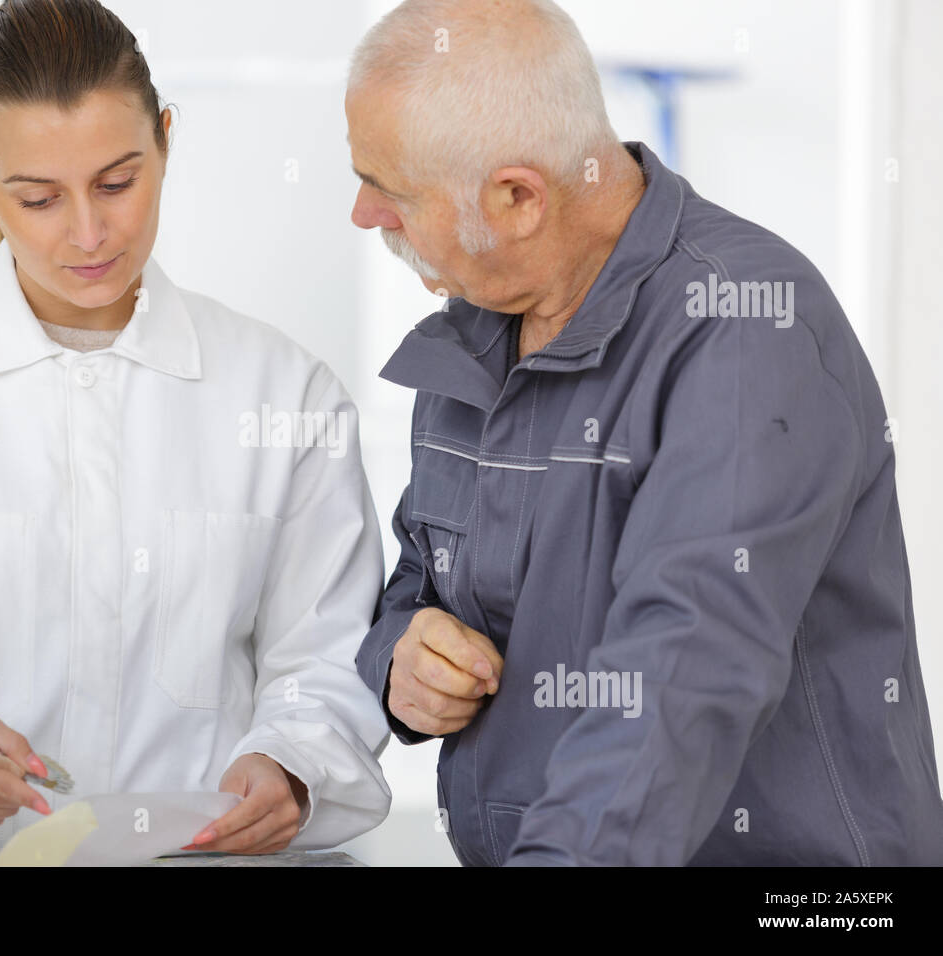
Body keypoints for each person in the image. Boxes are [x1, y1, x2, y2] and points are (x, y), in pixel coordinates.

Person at [0, 0, 390, 864]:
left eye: (118, 182)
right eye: (39, 197)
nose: (89, 234)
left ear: (165, 140)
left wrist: (293, 762)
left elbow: (330, 657)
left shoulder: (285, 396)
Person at [349, 0, 943, 865]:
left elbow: (681, 679)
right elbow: (421, 576)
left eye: (389, 189)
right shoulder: (476, 329)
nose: (364, 214)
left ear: (518, 198)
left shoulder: (744, 329)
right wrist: (401, 658)